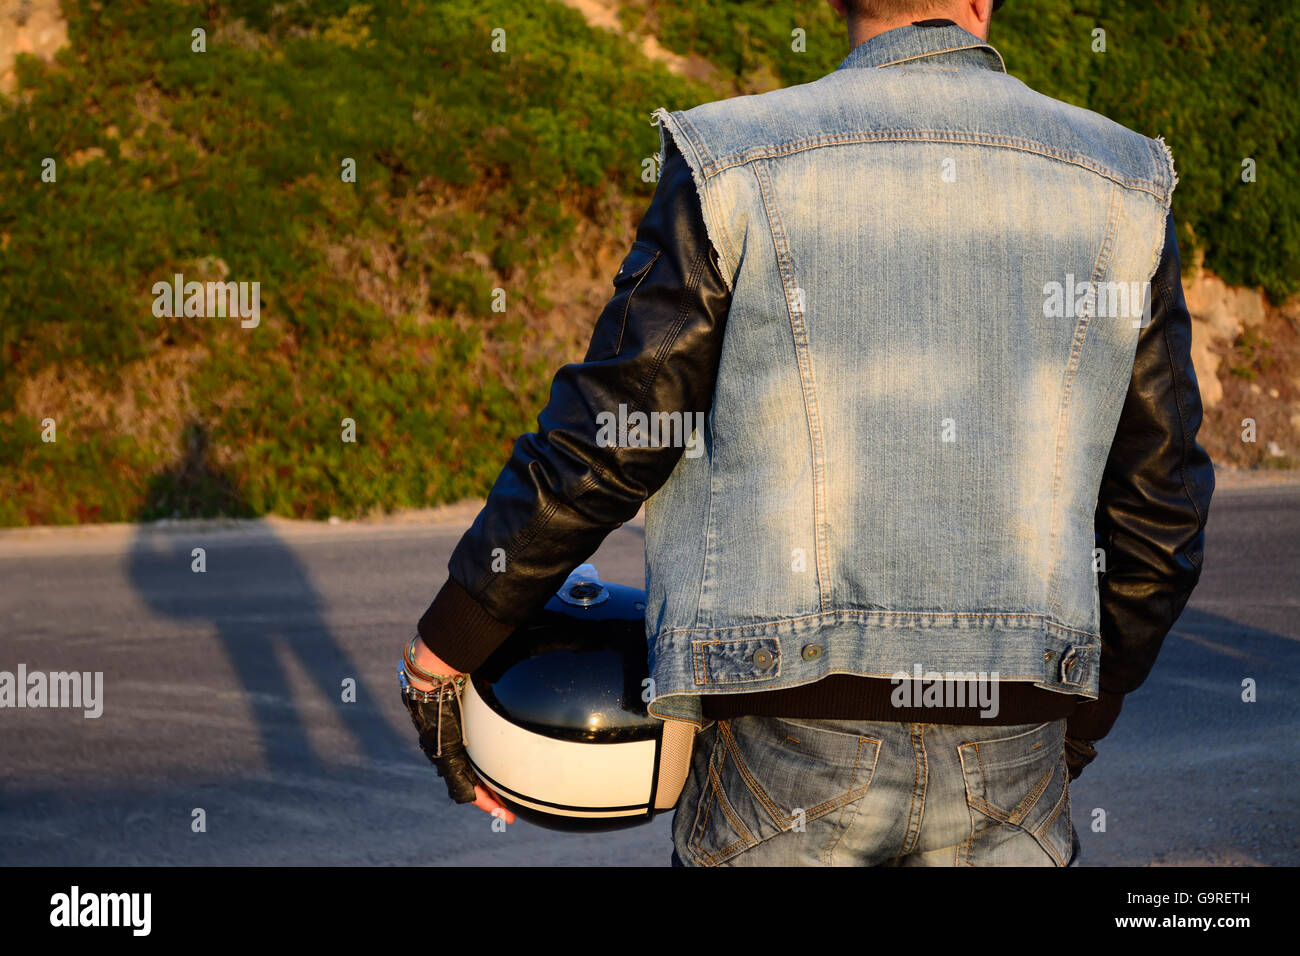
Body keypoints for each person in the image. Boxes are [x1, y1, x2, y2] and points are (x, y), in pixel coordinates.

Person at [399, 0, 1214, 865]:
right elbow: (1161, 513)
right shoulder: (1125, 185)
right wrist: (1073, 719)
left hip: (781, 738)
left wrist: (451, 642)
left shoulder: (731, 160)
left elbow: (613, 436)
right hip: (1016, 738)